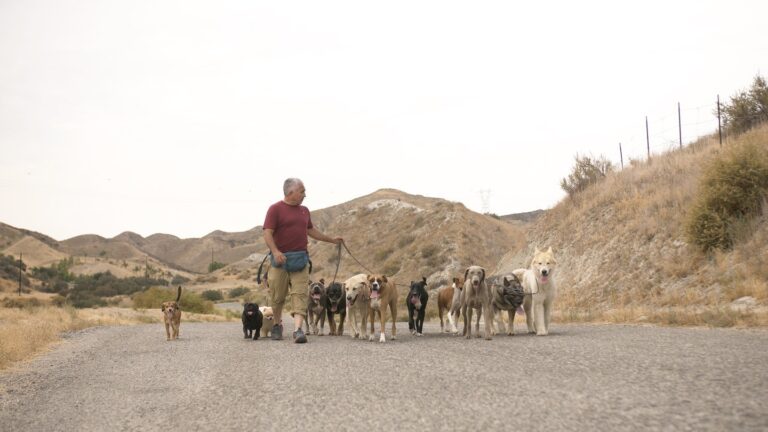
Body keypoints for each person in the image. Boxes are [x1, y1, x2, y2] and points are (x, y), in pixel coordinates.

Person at [263, 178, 343, 343]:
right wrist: (275, 251)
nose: (305, 194)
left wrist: (332, 240)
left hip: (301, 260)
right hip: (280, 261)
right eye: (302, 191)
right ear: (291, 192)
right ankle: (277, 325)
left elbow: (311, 231)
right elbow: (267, 233)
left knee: (300, 294)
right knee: (277, 297)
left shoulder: (304, 211)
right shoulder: (275, 209)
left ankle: (298, 330)